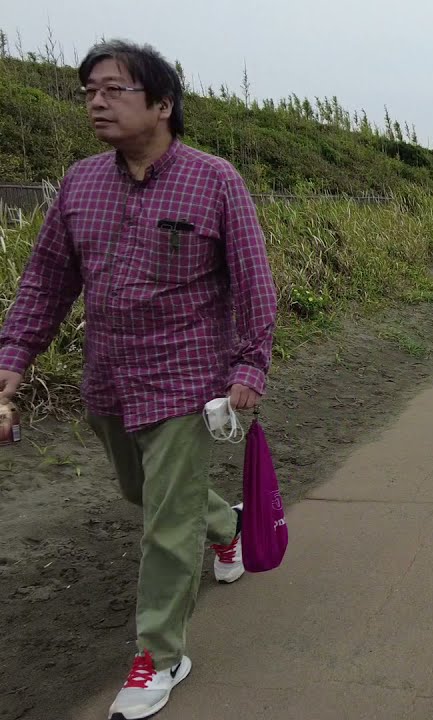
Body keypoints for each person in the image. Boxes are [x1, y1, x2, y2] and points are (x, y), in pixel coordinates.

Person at [0, 40, 277, 719]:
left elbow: (254, 282)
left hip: (186, 382)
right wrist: (12, 361)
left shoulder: (215, 180)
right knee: (142, 491)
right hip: (110, 380)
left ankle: (161, 653)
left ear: (162, 104)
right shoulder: (80, 182)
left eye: (114, 89)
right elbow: (46, 281)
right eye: (88, 89)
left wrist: (249, 363)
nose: (96, 101)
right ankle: (224, 526)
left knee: (163, 523)